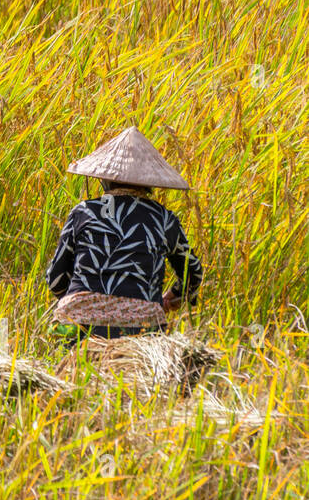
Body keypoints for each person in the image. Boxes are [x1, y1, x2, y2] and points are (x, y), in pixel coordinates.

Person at [47, 126, 204, 342]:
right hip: (142, 330)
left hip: (78, 327)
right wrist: (173, 296)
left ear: (105, 178)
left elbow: (55, 279)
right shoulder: (165, 219)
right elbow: (192, 272)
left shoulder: (83, 212)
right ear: (150, 183)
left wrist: (87, 302)